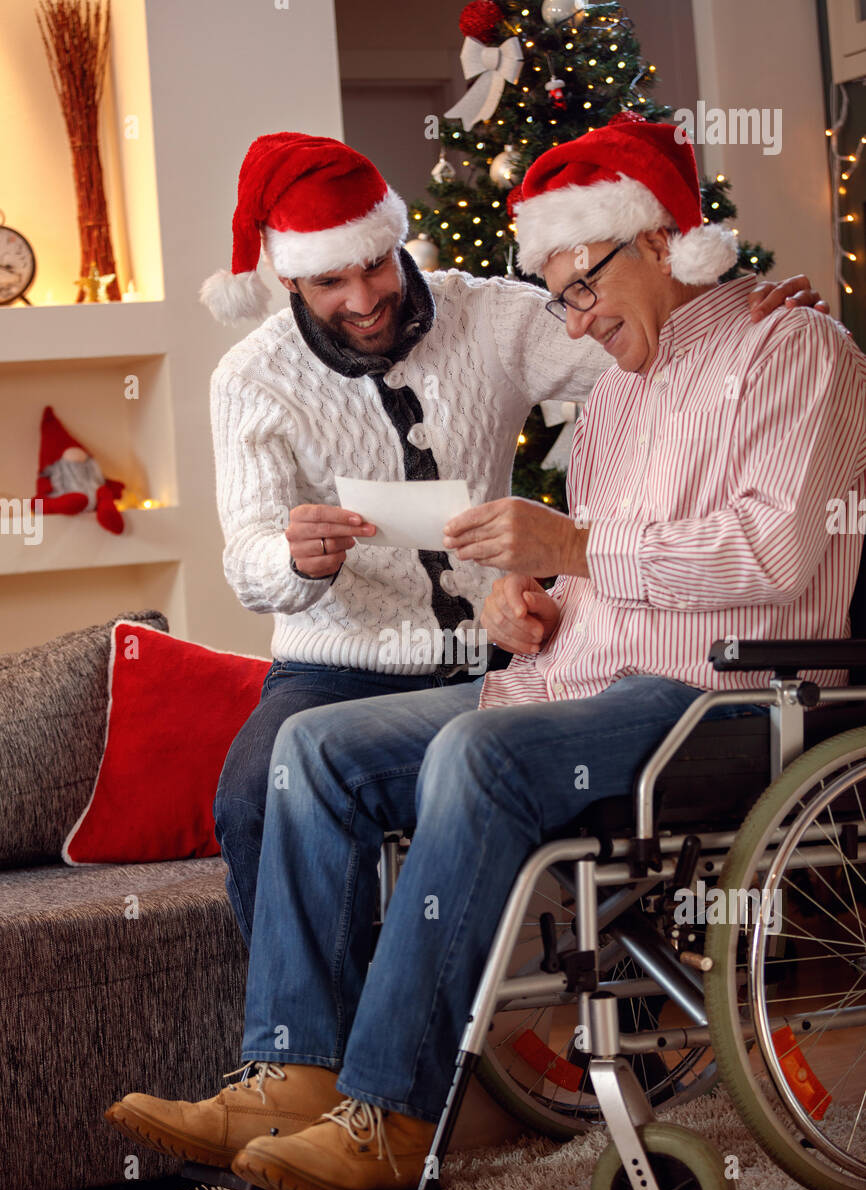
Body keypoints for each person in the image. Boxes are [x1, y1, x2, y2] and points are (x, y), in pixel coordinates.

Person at [106, 119, 848, 1190]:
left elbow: (772, 553)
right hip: (559, 677)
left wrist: (573, 549)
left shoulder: (791, 351)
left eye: (582, 286)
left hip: (717, 698)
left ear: (655, 243)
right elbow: (594, 570)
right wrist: (533, 600)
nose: (575, 321)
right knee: (302, 754)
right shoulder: (617, 386)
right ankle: (296, 1075)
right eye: (560, 297)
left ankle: (393, 1116)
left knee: (476, 753)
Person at [201, 130, 821, 951]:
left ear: (396, 241)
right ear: (287, 278)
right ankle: (308, 1050)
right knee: (254, 790)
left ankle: (627, 1009)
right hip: (336, 665)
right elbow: (245, 557)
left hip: (502, 647)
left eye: (376, 266)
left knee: (550, 758)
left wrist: (746, 311)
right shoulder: (249, 379)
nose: (362, 297)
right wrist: (287, 557)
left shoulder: (490, 316)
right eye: (330, 281)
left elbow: (649, 348)